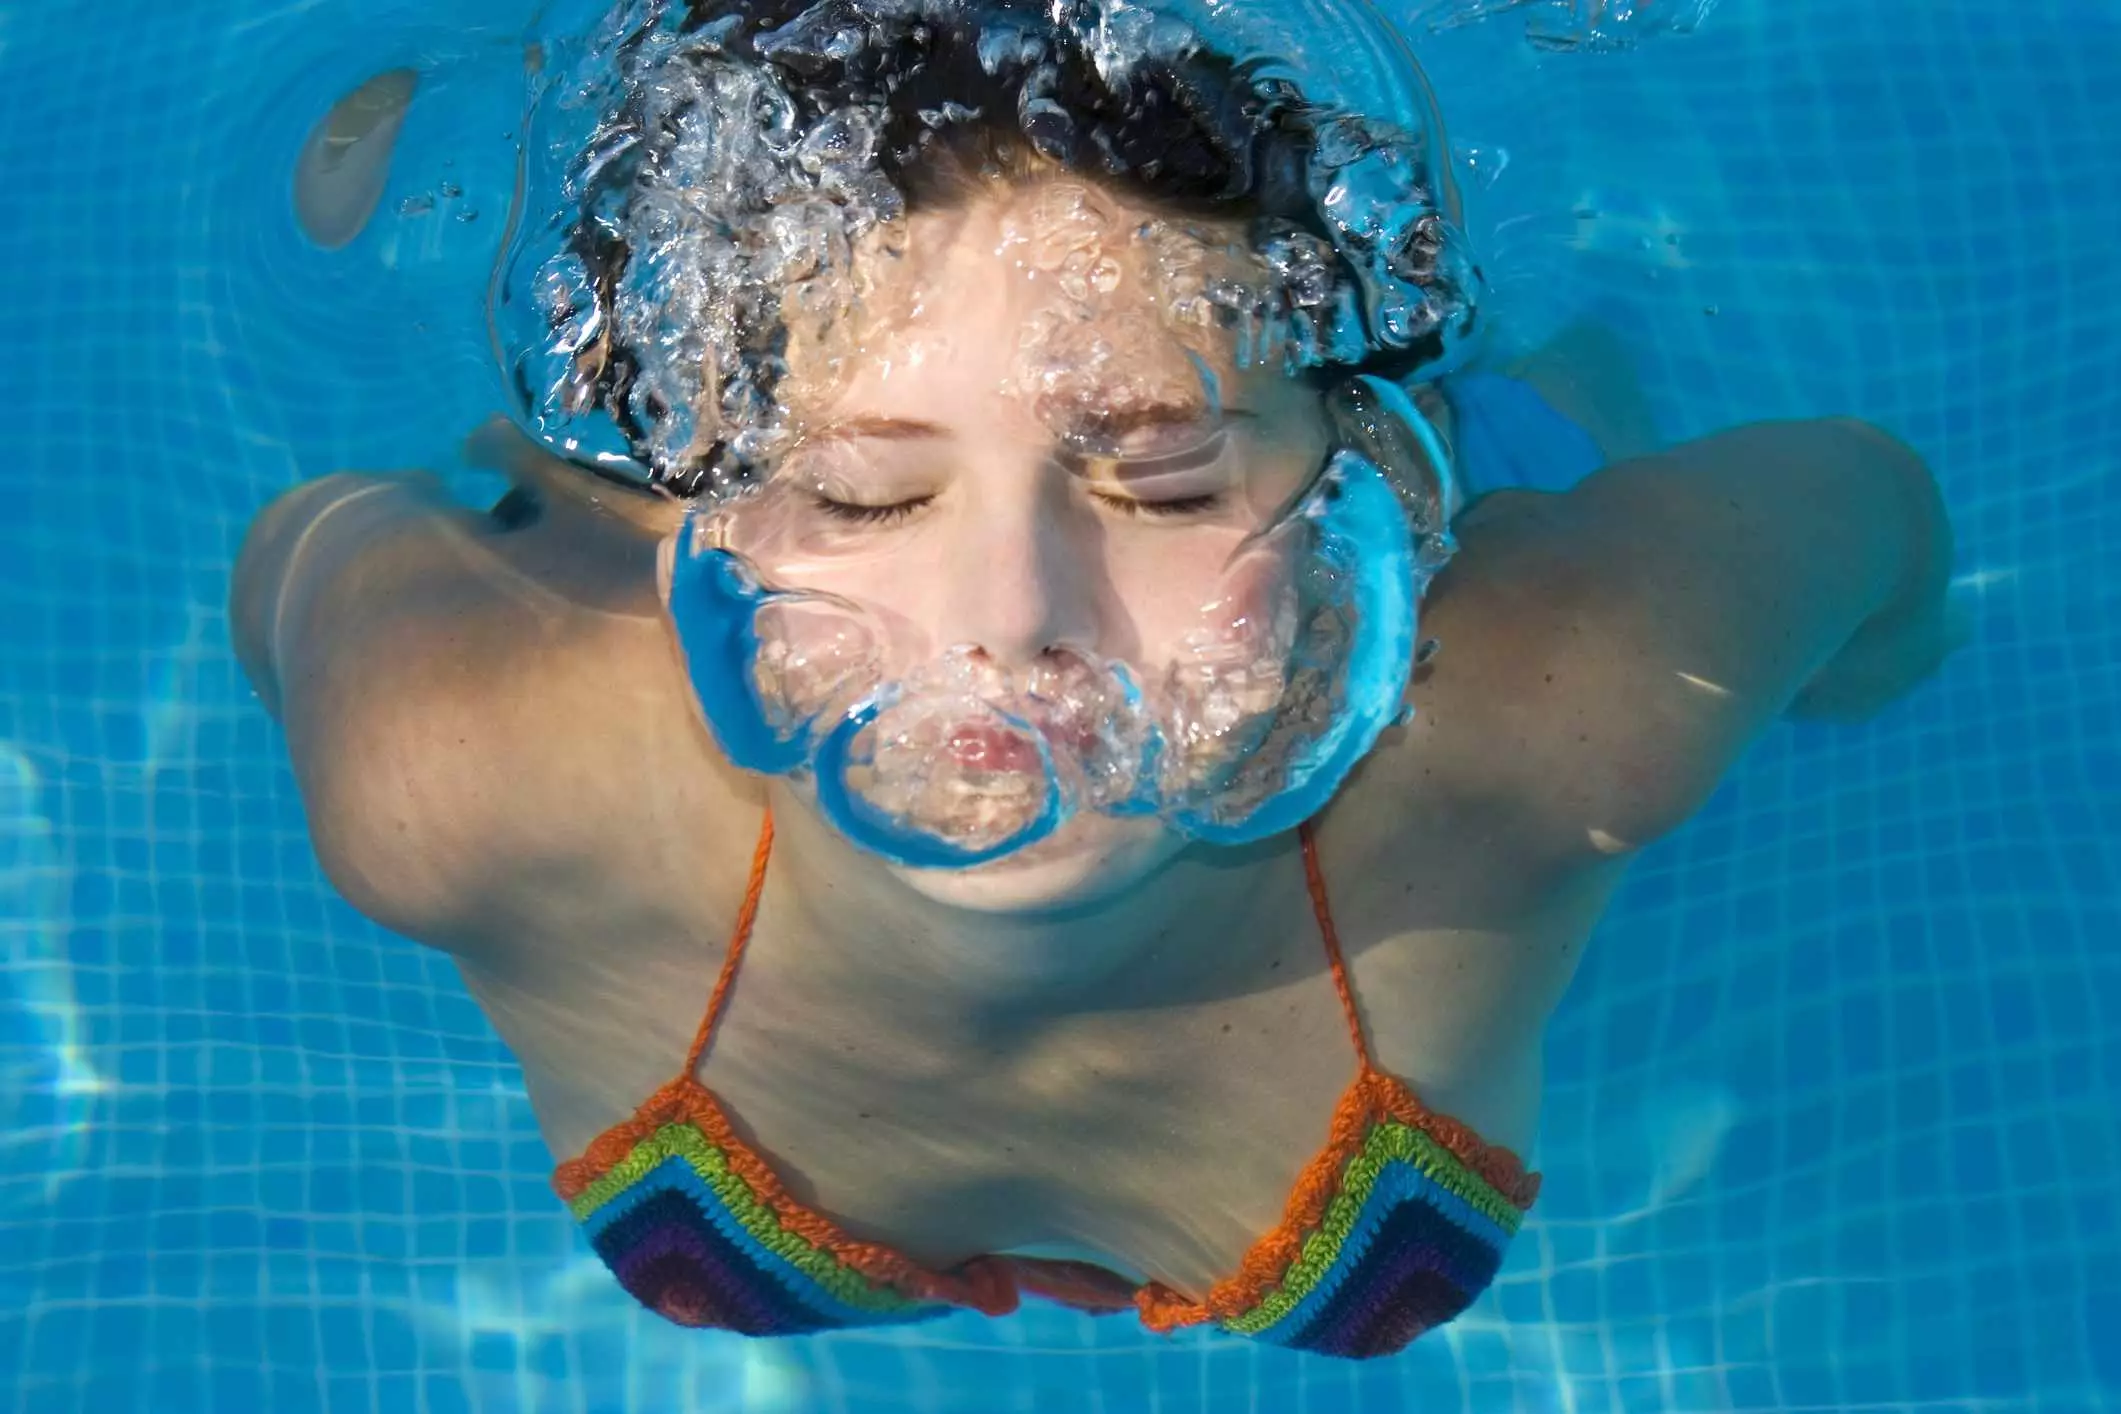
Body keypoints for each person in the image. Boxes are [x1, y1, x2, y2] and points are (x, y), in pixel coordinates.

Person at [232, 0, 1957, 1359]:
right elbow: (303, 549)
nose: (1012, 619)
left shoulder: (1571, 703)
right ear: (711, 541)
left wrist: (1871, 670)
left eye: (1170, 480)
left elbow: (1877, 513)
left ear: (1379, 505)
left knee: (1561, 418)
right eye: (862, 492)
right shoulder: (454, 772)